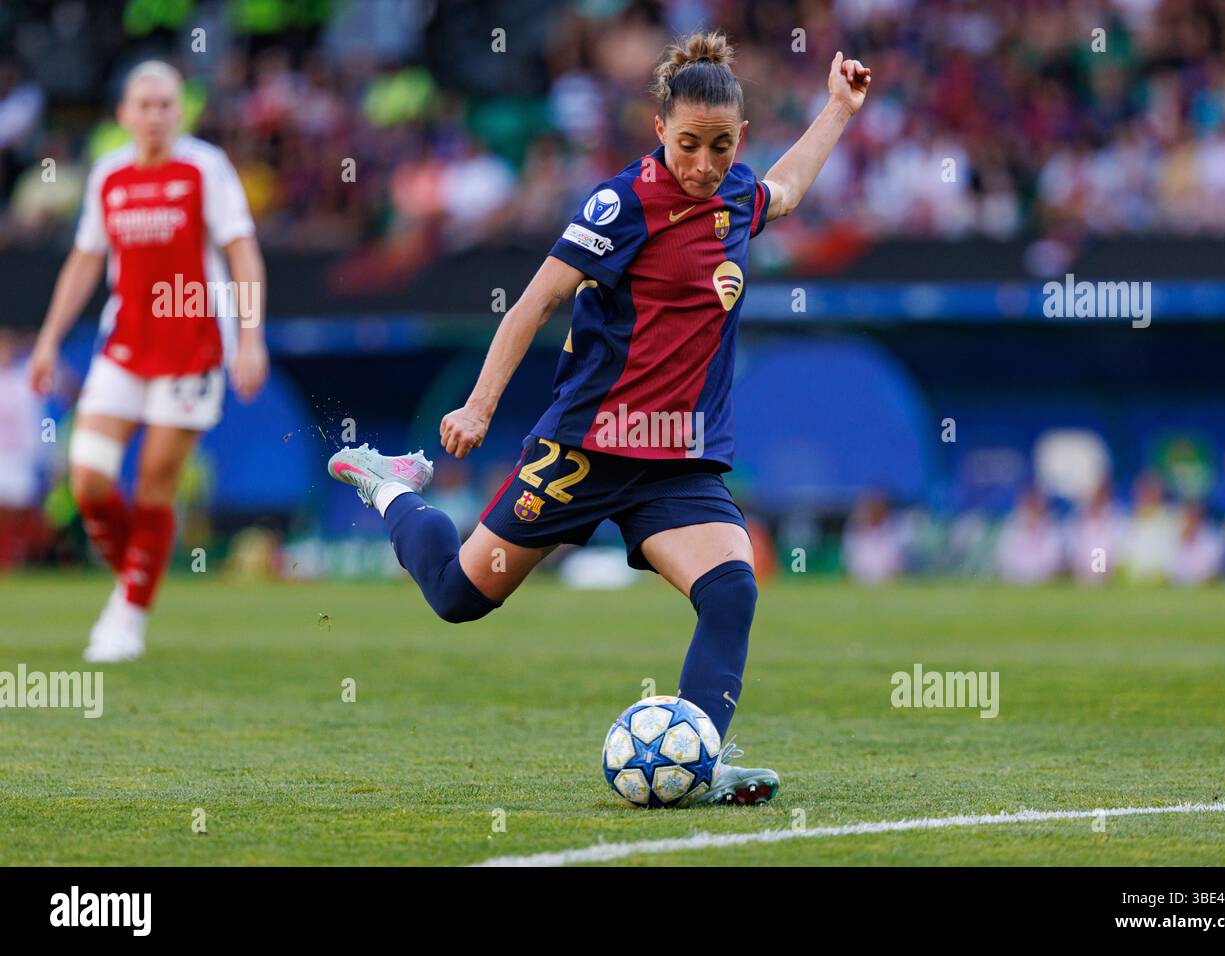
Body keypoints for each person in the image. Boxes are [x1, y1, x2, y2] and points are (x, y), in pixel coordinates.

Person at [328, 33, 870, 806]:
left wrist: (838, 109)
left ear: (739, 139)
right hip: (586, 450)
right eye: (688, 145)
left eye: (720, 147)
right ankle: (391, 487)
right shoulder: (619, 205)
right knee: (456, 596)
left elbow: (784, 190)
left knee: (731, 590)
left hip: (677, 464)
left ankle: (701, 763)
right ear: (659, 130)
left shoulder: (735, 199)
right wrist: (478, 407)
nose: (704, 164)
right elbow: (536, 302)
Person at [27, 60, 268, 661]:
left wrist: (251, 336)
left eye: (167, 104)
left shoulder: (204, 168)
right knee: (88, 482)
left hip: (192, 349)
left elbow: (243, 253)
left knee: (155, 484)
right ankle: (134, 580)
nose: (156, 114)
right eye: (145, 104)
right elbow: (85, 260)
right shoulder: (108, 174)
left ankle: (128, 615)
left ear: (180, 111)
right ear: (124, 114)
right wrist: (50, 337)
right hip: (124, 347)